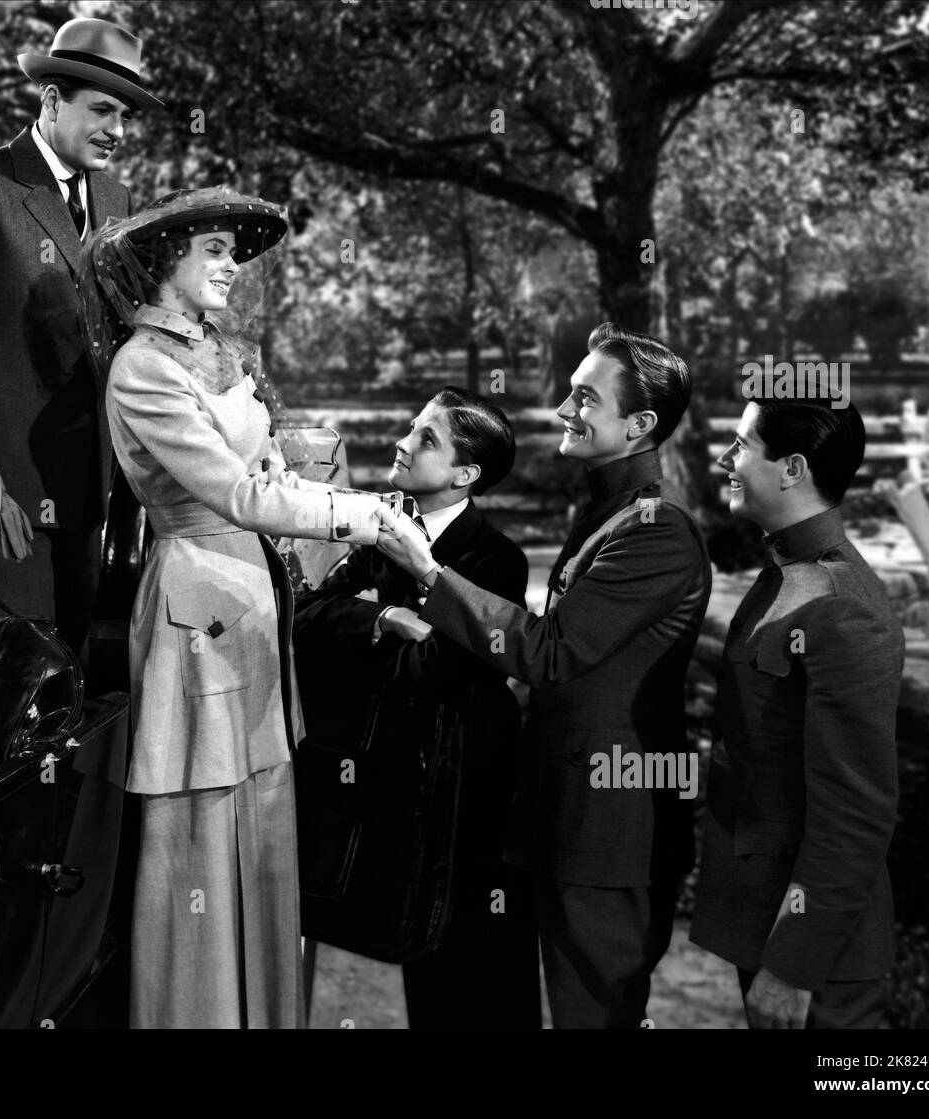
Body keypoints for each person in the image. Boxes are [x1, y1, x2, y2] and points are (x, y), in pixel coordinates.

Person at [78, 186, 386, 1029]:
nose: (228, 266)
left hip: (251, 596)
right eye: (210, 251)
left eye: (231, 251)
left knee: (263, 818)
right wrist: (366, 517)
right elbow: (236, 491)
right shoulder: (142, 368)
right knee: (201, 831)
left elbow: (275, 477)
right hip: (194, 603)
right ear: (164, 261)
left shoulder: (221, 353)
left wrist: (345, 498)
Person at [376, 323, 711, 1028]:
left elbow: (550, 651)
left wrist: (429, 573)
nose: (564, 410)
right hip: (570, 818)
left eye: (585, 398)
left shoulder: (656, 528)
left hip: (610, 831)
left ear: (640, 424)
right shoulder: (609, 511)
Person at [293, 388, 541, 1029]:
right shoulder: (377, 535)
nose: (403, 442)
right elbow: (305, 623)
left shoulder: (495, 559)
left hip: (459, 795)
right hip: (379, 784)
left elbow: (443, 673)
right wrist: (383, 617)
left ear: (465, 475)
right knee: (380, 929)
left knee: (461, 971)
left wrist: (361, 643)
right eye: (411, 428)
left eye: (427, 438)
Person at [0, 18, 158, 659]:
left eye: (125, 115)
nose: (118, 131)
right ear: (51, 101)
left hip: (87, 475)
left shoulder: (115, 196)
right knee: (9, 671)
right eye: (103, 110)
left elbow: (127, 328)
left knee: (68, 670)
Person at [689, 401, 902, 1029]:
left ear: (793, 469)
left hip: (819, 957)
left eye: (742, 445)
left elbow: (856, 814)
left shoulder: (843, 604)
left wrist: (792, 965)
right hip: (764, 917)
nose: (726, 460)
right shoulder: (786, 570)